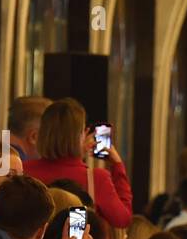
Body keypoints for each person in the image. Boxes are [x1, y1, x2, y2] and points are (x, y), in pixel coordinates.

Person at [24, 98, 133, 228]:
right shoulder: (95, 178)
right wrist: (118, 165)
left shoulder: (24, 172)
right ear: (80, 136)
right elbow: (123, 219)